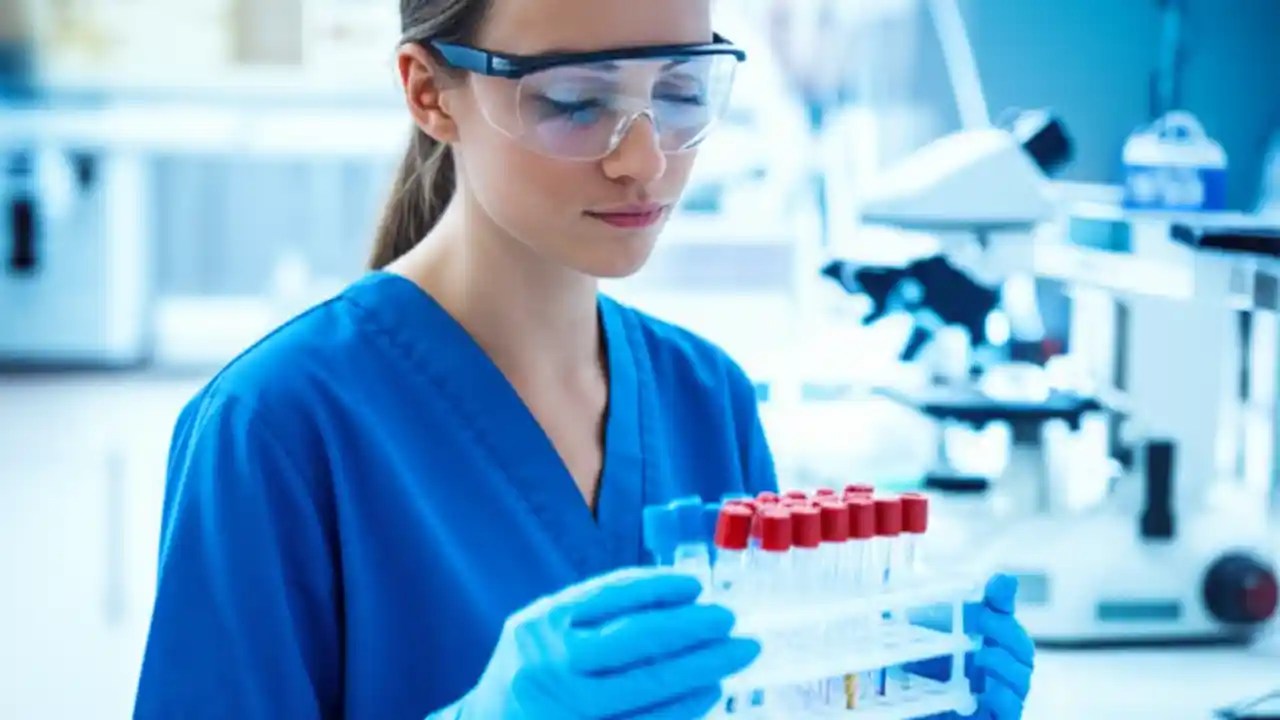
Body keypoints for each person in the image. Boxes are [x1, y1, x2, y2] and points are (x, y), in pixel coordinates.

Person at [133, 0, 1035, 717]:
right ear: (429, 91)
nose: (644, 160)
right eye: (574, 102)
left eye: (680, 92)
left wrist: (887, 692)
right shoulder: (280, 424)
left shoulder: (705, 396)